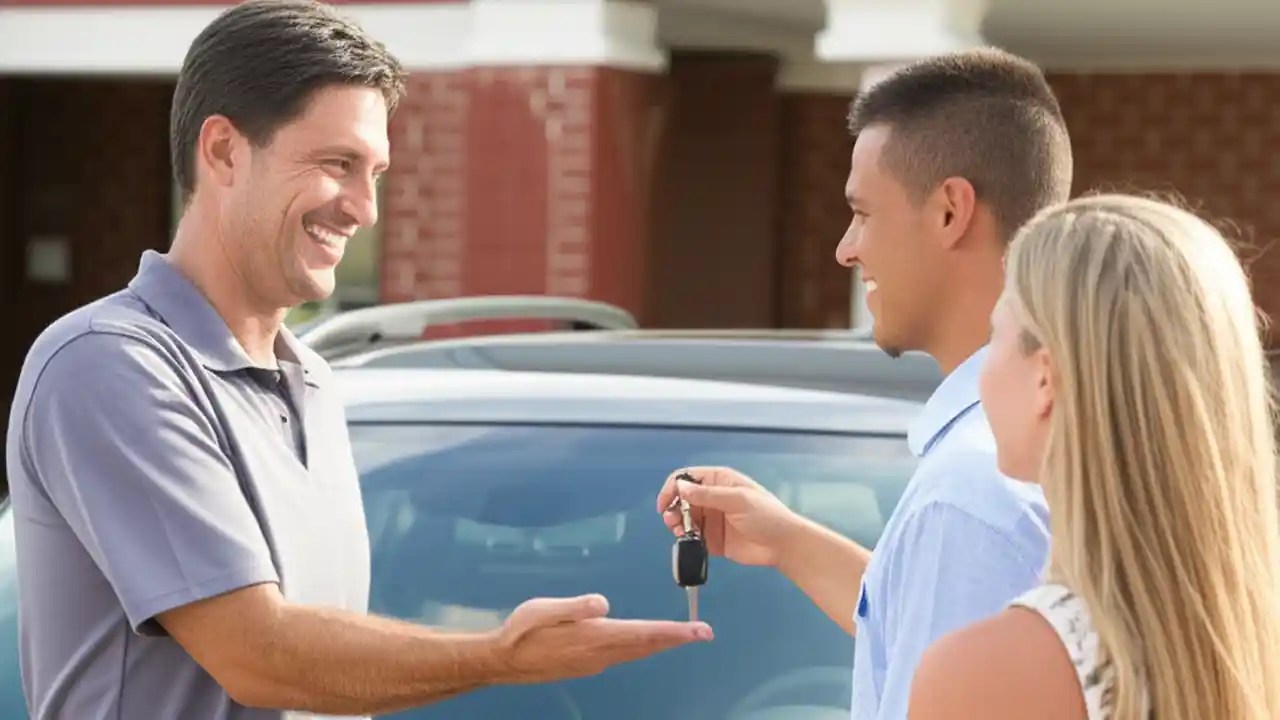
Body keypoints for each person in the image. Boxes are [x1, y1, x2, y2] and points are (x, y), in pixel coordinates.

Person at [4, 1, 710, 718]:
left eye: (374, 172)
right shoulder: (108, 365)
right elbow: (259, 655)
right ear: (222, 151)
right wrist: (498, 656)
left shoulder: (313, 382)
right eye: (337, 163)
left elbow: (330, 666)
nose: (364, 208)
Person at [657, 48, 1074, 719]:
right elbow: (935, 635)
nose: (846, 249)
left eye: (863, 213)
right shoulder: (1044, 443)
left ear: (949, 211)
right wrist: (790, 540)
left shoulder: (967, 491)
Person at [907, 194, 1280, 720]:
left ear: (1045, 378)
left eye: (994, 336)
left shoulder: (989, 672)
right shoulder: (1251, 642)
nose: (981, 370)